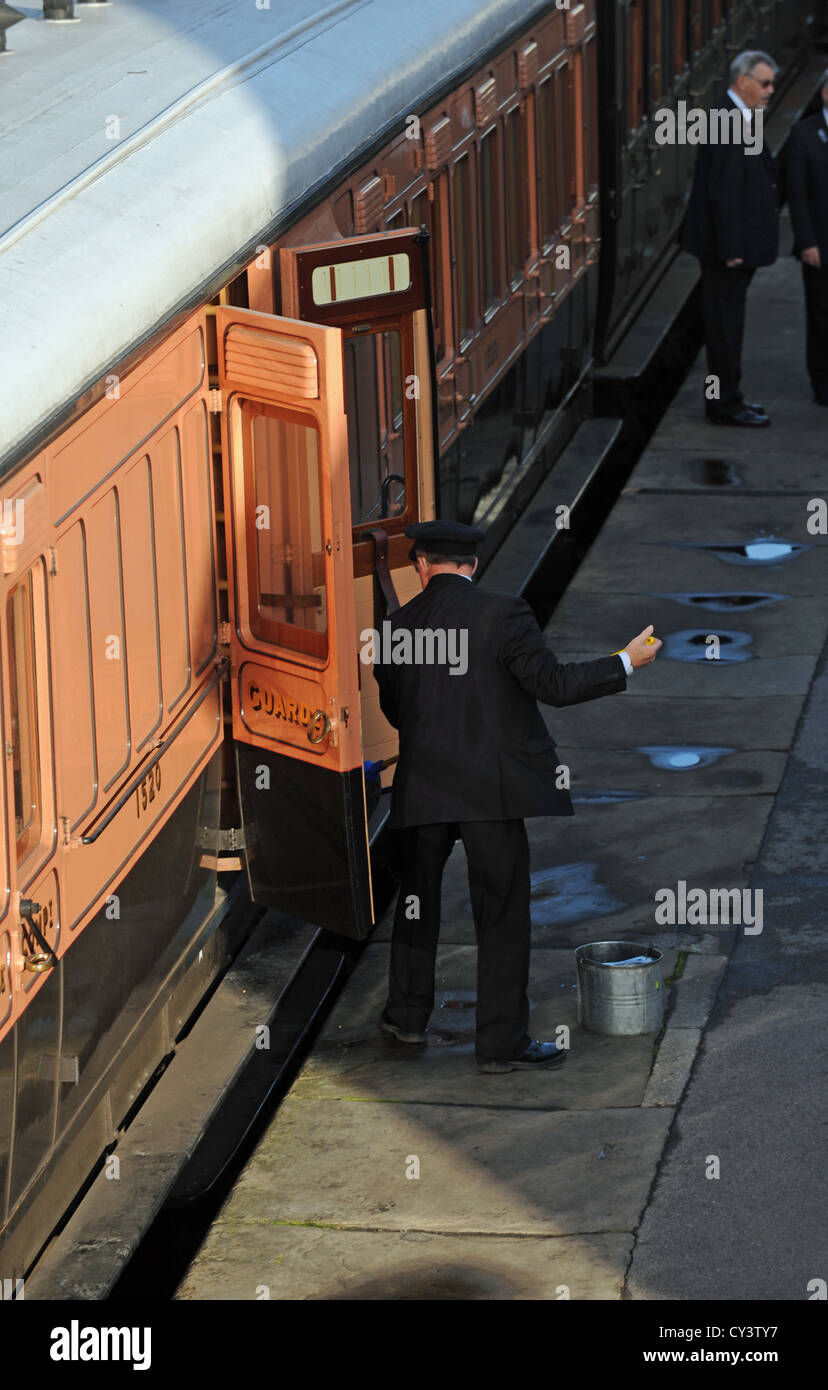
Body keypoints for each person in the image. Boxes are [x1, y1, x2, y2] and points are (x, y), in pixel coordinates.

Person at [372, 520, 661, 1074]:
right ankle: (499, 1045)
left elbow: (395, 710)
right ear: (473, 567)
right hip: (491, 792)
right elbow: (553, 685)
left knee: (416, 907)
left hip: (423, 788)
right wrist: (625, 661)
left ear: (420, 566)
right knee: (500, 913)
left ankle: (407, 1019)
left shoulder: (398, 625)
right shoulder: (503, 613)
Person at [680, 50, 779, 426]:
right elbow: (723, 193)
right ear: (743, 81)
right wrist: (732, 248)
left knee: (728, 326)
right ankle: (723, 404)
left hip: (734, 247)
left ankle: (729, 398)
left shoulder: (740, 116)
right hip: (727, 251)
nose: (770, 90)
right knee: (722, 330)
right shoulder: (727, 121)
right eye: (765, 83)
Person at [785, 70, 828, 406]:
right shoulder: (803, 134)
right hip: (820, 243)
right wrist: (807, 241)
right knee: (820, 315)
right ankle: (822, 383)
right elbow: (796, 195)